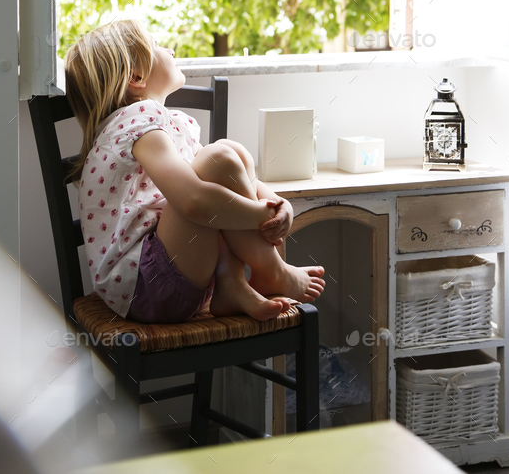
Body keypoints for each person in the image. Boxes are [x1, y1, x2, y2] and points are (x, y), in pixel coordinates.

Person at [64, 19, 325, 324]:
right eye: (158, 45)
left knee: (229, 151)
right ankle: (272, 271)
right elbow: (193, 201)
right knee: (219, 158)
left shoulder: (164, 123)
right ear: (136, 76)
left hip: (170, 277)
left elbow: (224, 173)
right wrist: (261, 215)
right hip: (148, 286)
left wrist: (277, 202)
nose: (170, 49)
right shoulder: (135, 122)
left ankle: (232, 283)